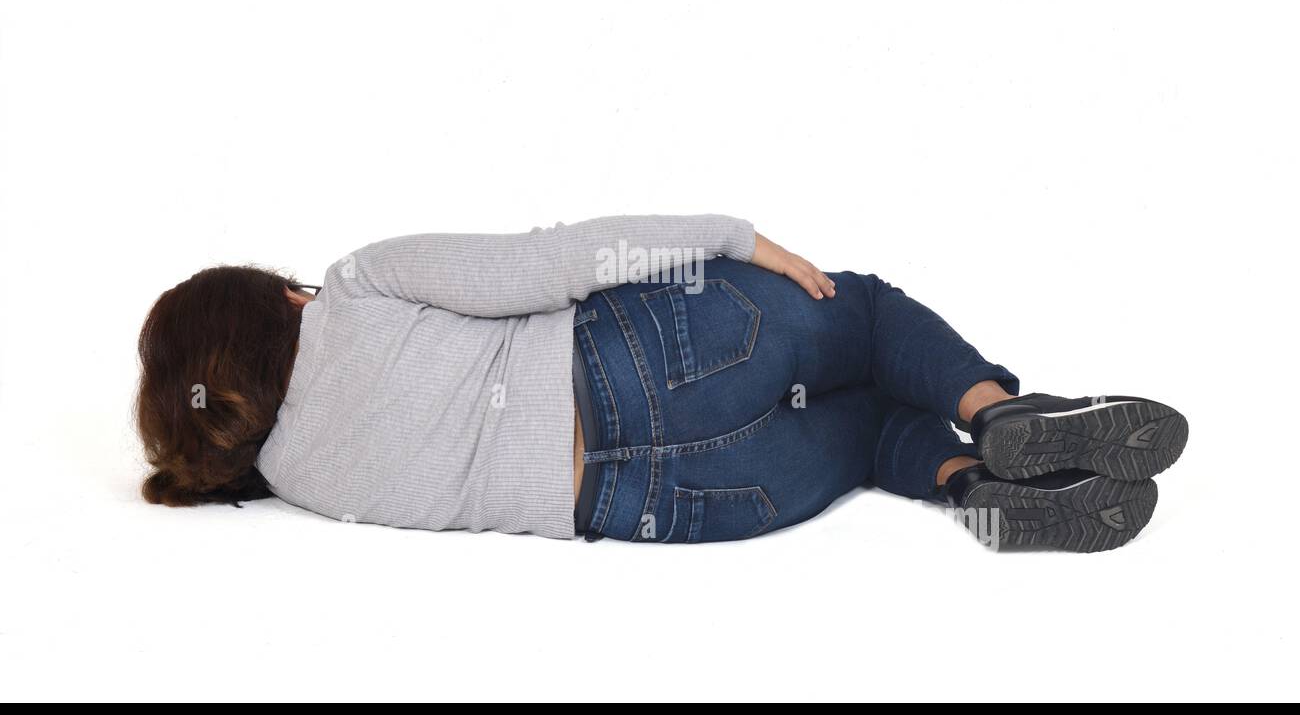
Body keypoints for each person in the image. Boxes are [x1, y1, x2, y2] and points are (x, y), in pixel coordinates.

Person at [135, 215, 1187, 552]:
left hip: (672, 502)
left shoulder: (298, 476)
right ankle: (997, 412)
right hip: (651, 356)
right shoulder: (355, 291)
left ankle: (966, 484)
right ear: (276, 304)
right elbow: (554, 263)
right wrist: (730, 235)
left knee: (864, 439)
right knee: (861, 316)